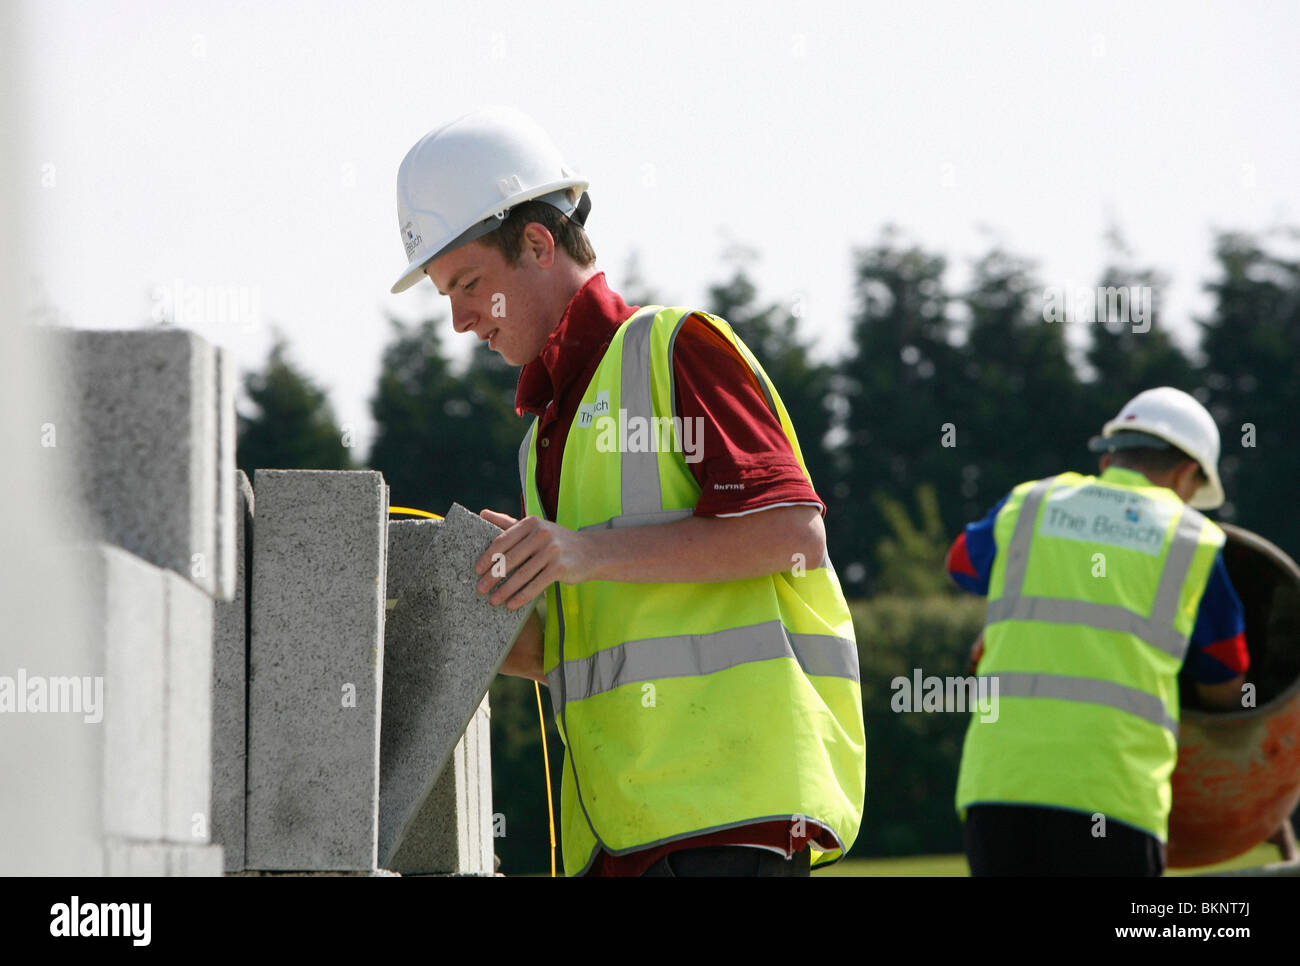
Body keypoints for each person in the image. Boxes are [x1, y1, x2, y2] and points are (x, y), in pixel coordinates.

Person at [389, 107, 865, 877]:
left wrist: (579, 552)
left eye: (469, 284)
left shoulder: (674, 347)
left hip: (725, 814)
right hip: (619, 837)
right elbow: (583, 655)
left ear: (538, 243)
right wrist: (484, 606)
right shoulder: (545, 436)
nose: (458, 320)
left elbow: (792, 535)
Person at [945, 386, 1249, 876]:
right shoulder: (1191, 539)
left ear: (1110, 458)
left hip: (998, 790)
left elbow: (962, 563)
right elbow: (1226, 678)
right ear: (1187, 473)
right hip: (1114, 797)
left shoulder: (1030, 503)